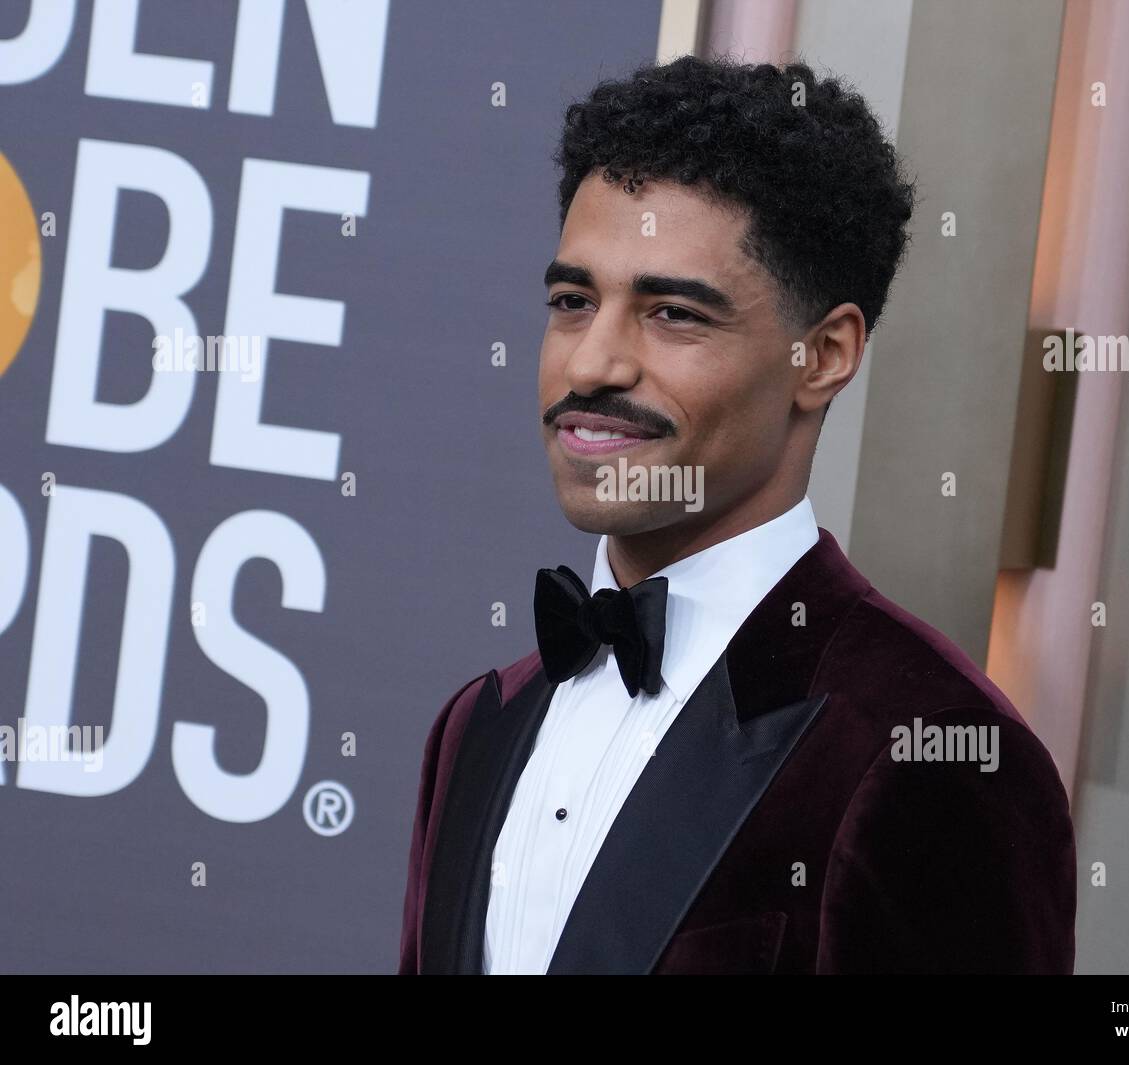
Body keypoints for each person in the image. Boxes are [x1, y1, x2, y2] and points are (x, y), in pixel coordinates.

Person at [399, 54, 1076, 974]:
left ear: (825, 355)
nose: (591, 365)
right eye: (571, 302)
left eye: (672, 313)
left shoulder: (931, 749)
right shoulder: (480, 722)